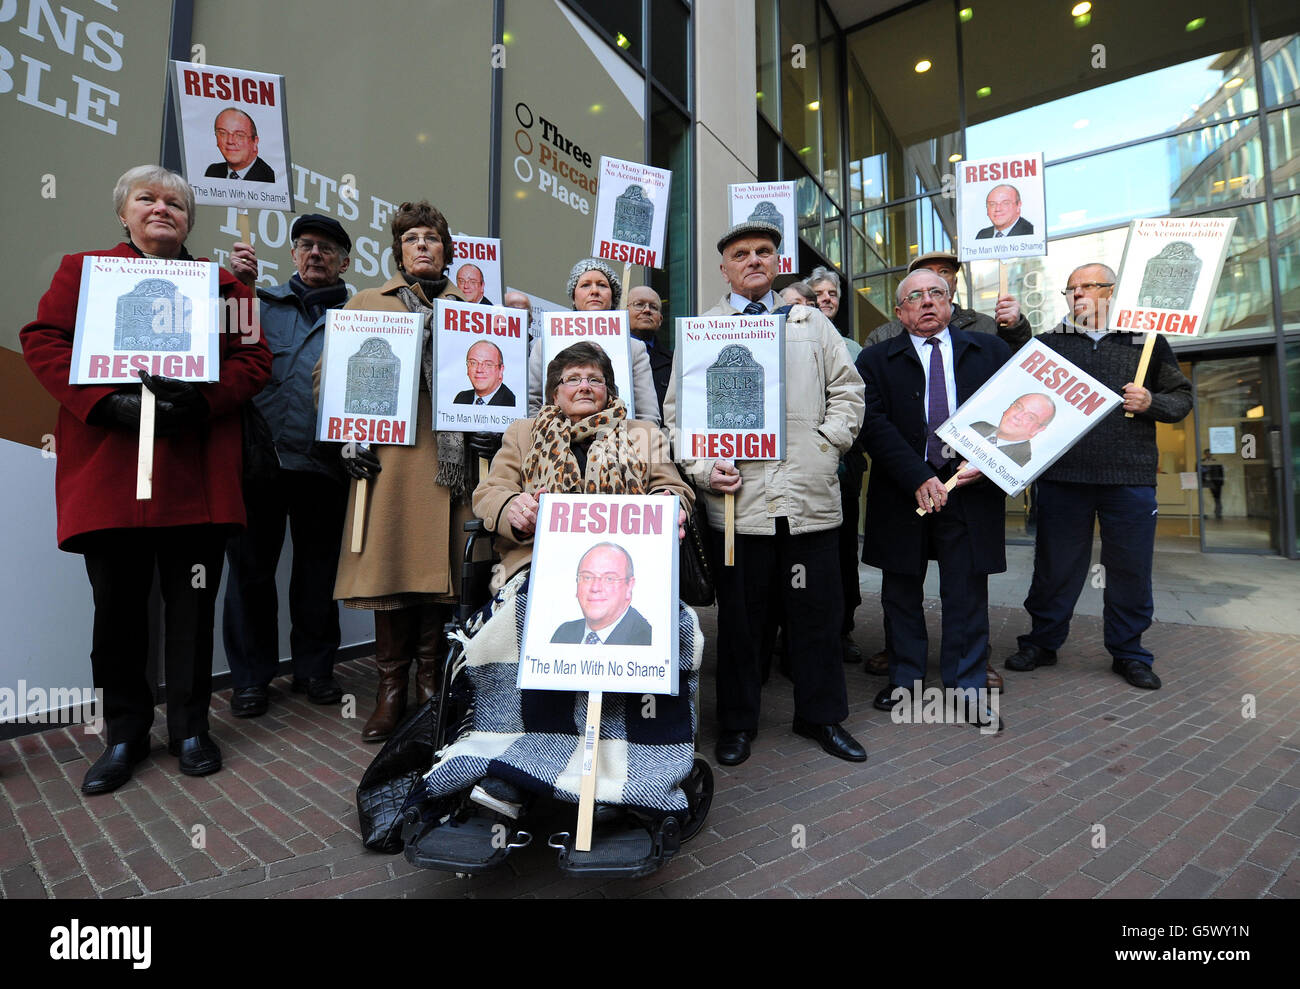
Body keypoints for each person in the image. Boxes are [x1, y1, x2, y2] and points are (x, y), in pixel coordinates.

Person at [20, 165, 271, 793]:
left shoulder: (223, 285)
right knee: (118, 615)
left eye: (176, 203)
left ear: (190, 218)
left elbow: (255, 359)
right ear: (123, 212)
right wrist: (105, 402)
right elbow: (43, 339)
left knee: (191, 609)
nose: (162, 209)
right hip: (111, 475)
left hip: (195, 479)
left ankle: (191, 728)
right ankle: (125, 733)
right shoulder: (83, 272)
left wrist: (206, 398)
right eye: (147, 199)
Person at [418, 342, 698, 823]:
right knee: (523, 622)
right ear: (554, 391)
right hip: (538, 568)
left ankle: (639, 770)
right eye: (572, 379)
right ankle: (516, 763)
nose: (584, 386)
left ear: (609, 389)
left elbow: (672, 488)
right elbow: (490, 492)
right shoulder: (524, 433)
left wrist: (673, 509)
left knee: (675, 626)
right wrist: (513, 508)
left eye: (594, 378)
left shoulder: (642, 433)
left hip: (627, 573)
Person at [665, 220, 867, 766]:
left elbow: (849, 392)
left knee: (817, 617)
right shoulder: (704, 330)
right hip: (738, 505)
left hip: (808, 498)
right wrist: (705, 470)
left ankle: (821, 718)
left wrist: (827, 445)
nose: (753, 259)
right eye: (740, 253)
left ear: (777, 262)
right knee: (741, 622)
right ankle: (737, 723)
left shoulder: (811, 324)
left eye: (764, 251)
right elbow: (678, 417)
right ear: (724, 267)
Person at [316, 200, 474, 741]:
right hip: (387, 464)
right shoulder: (367, 302)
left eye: (432, 237)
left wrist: (485, 425)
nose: (422, 245)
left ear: (447, 250)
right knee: (391, 574)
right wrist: (345, 437)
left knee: (437, 580)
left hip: (449, 465)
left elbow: (494, 380)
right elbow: (329, 378)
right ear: (398, 251)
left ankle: (429, 687)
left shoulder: (473, 311)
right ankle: (390, 692)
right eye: (412, 239)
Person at [1003, 263, 1192, 690]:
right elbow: (1014, 371)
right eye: (1071, 288)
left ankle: (1129, 653)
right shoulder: (1049, 344)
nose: (1079, 294)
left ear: (1110, 291)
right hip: (1063, 475)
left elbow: (1181, 397)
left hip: (1129, 477)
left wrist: (1151, 403)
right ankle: (1042, 642)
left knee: (1129, 568)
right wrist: (1014, 328)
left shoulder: (1146, 341)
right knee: (1055, 566)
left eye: (1089, 286)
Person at [862, 248, 1029, 685]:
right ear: (901, 312)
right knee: (900, 591)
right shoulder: (875, 360)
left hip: (971, 489)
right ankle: (905, 680)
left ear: (951, 302)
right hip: (903, 493)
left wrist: (989, 459)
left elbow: (1020, 407)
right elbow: (871, 424)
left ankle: (968, 682)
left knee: (967, 591)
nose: (928, 301)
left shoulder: (989, 349)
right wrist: (917, 476)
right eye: (916, 296)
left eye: (937, 292)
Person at [220, 214, 352, 718]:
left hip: (326, 464)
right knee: (250, 573)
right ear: (294, 255)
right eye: (305, 245)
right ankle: (251, 678)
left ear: (345, 261)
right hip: (259, 462)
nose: (314, 253)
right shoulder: (256, 304)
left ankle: (315, 669)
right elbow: (223, 352)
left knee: (317, 574)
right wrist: (237, 288)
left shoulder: (360, 315)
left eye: (326, 247)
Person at [526, 258, 660, 426]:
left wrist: (637, 443)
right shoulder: (544, 345)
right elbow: (532, 402)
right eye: (585, 285)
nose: (595, 291)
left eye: (602, 285)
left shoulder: (634, 348)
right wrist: (545, 435)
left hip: (621, 446)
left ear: (613, 298)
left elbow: (647, 413)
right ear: (573, 298)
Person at [550, 543, 653, 645]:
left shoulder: (647, 639)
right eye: (587, 577)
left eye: (609, 579)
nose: (595, 588)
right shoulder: (563, 634)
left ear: (629, 586)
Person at [969, 393, 1056, 468]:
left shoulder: (1022, 461)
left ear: (1038, 429)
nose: (1017, 416)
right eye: (1018, 407)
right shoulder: (978, 426)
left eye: (1030, 417)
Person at [627, 284, 671, 420]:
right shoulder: (609, 354)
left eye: (653, 307)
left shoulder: (674, 362)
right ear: (623, 313)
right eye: (639, 304)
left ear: (660, 320)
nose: (647, 310)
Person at [204, 107, 275, 182]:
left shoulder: (270, 178)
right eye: (223, 133)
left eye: (239, 135)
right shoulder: (212, 172)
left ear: (255, 142)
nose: (230, 141)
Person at [453, 340, 516, 406]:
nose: (479, 370)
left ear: (501, 370)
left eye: (488, 364)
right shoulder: (461, 398)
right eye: (473, 363)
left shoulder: (512, 402)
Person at [1200, 449, 1225, 520]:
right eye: (1207, 453)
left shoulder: (1216, 462)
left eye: (1209, 453)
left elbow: (1221, 472)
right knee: (1205, 498)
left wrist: (1221, 482)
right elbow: (1198, 472)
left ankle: (1218, 513)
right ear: (1204, 454)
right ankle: (1205, 513)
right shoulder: (1201, 462)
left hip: (1215, 482)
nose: (1208, 455)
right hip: (1204, 482)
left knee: (1217, 498)